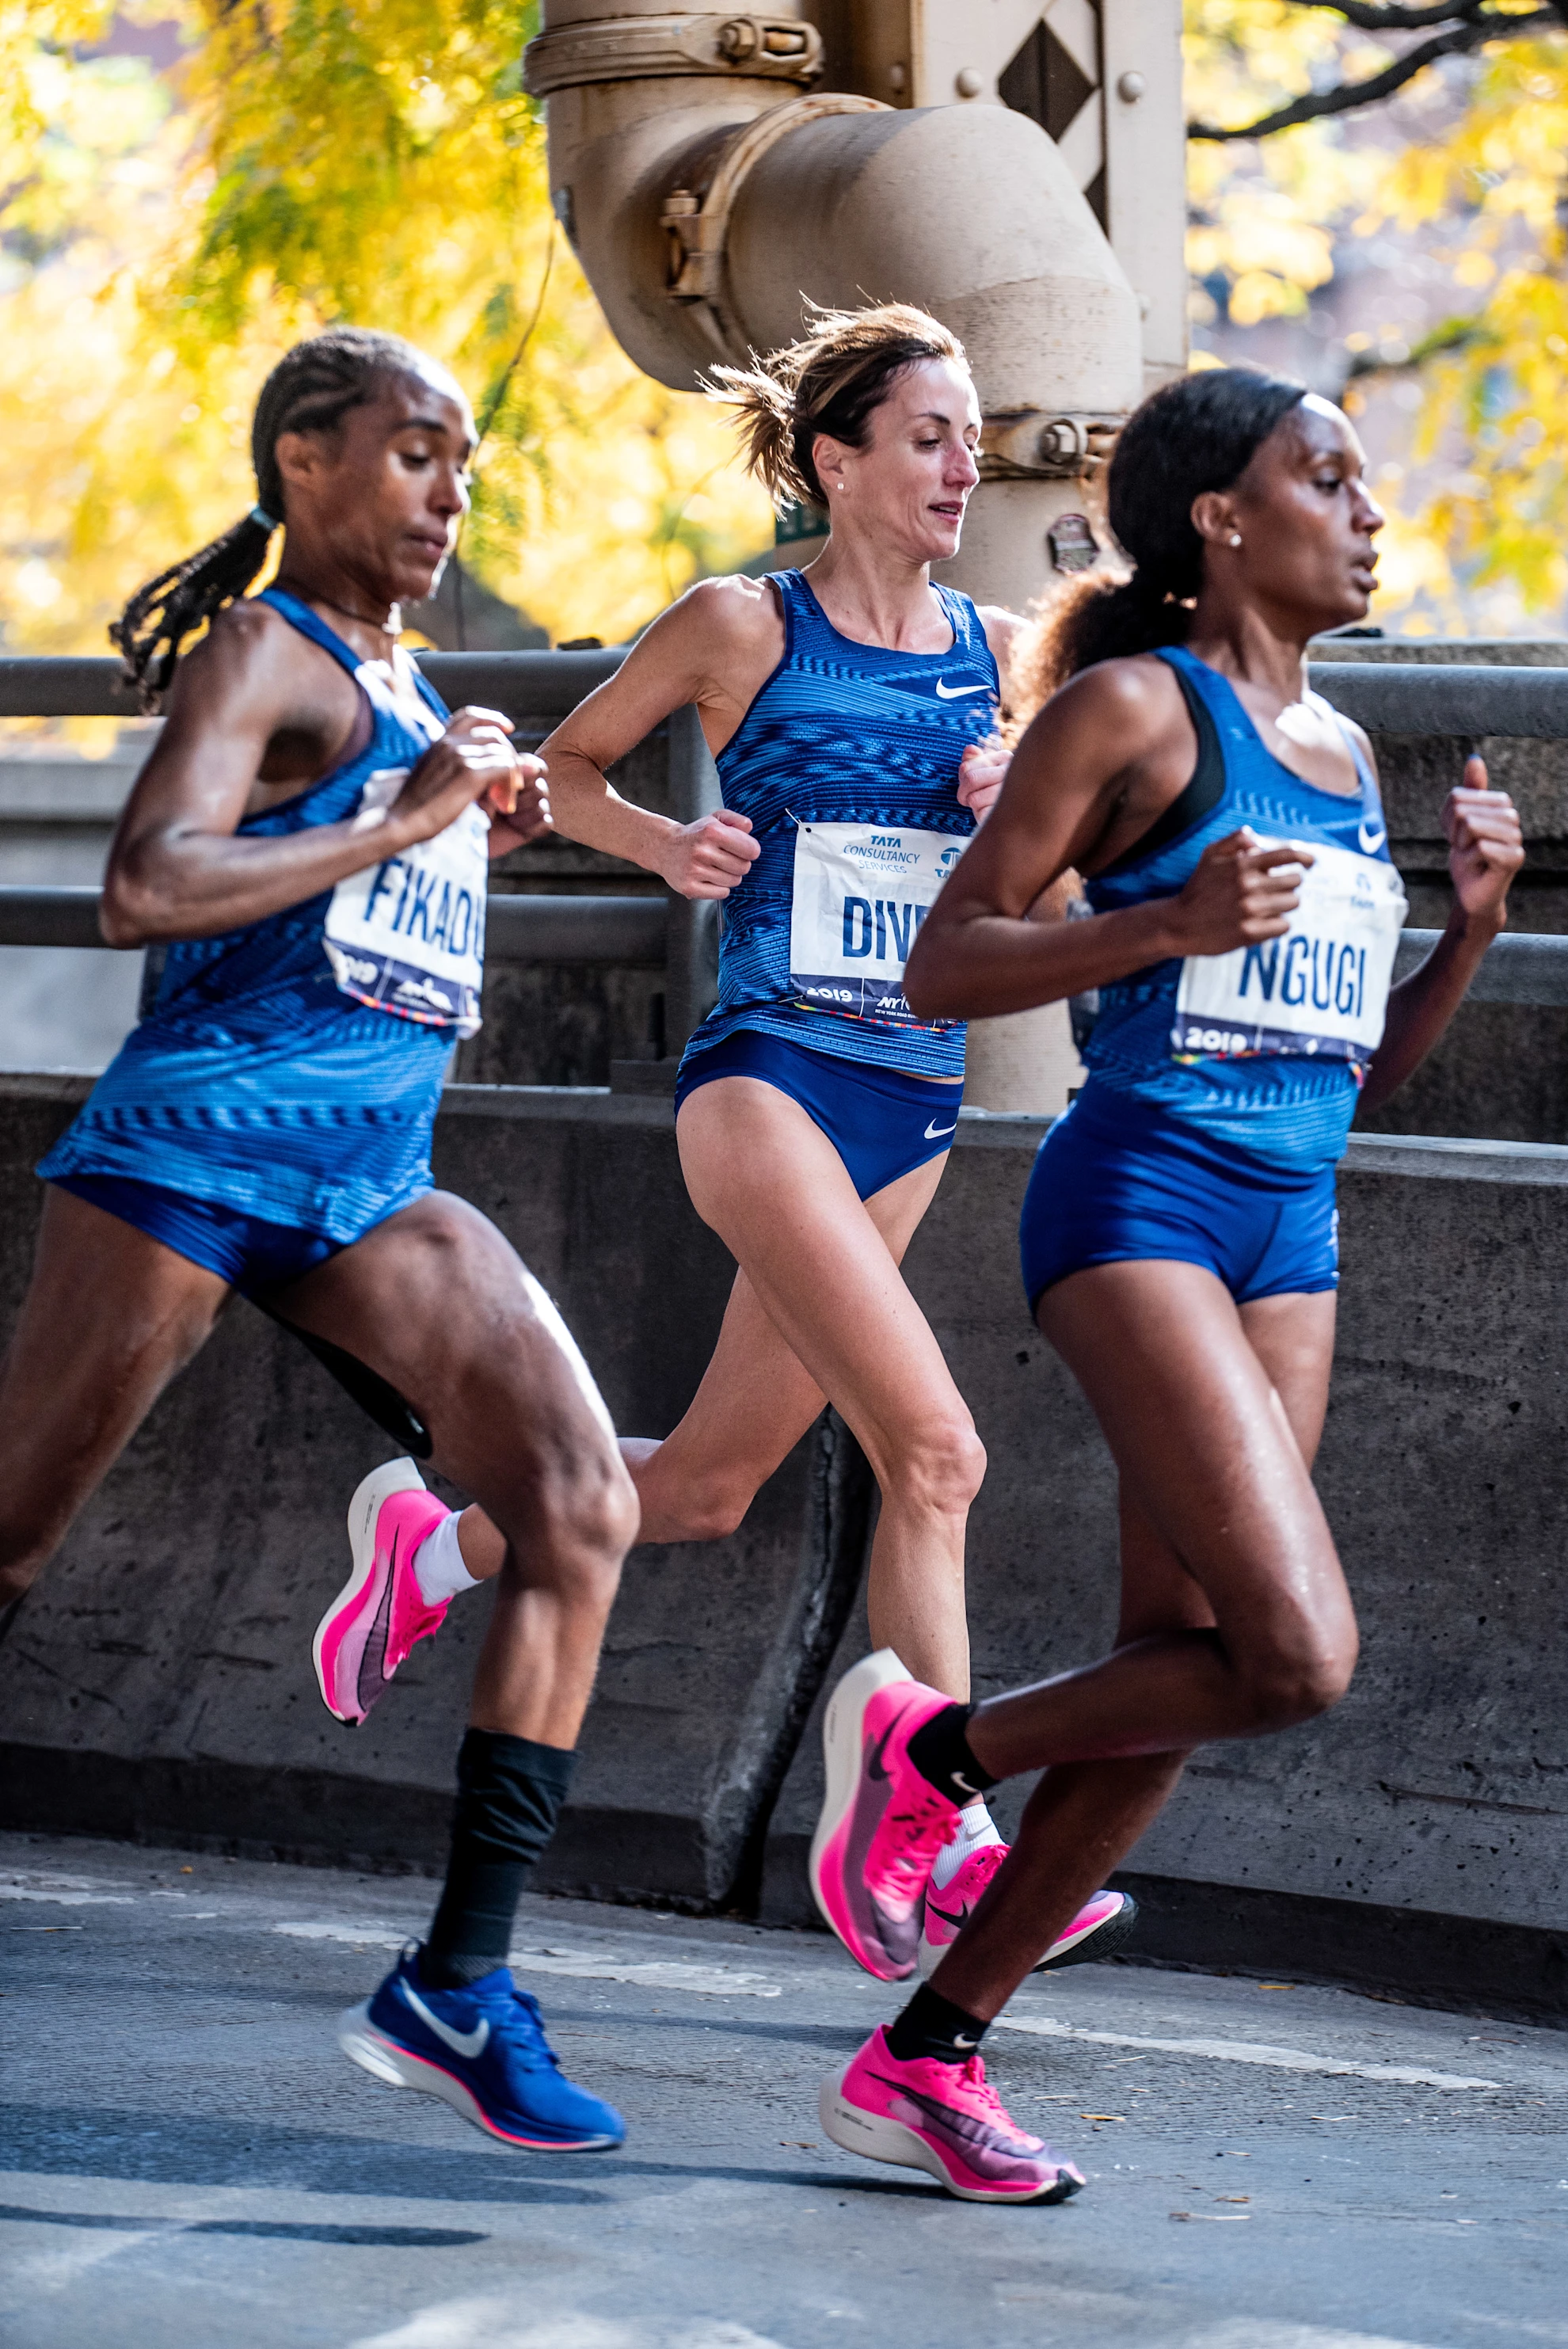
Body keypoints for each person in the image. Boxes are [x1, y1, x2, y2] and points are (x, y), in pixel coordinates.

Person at [315, 302, 1133, 1978]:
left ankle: (435, 1534)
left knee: (702, 1485)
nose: (962, 463)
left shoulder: (1001, 655)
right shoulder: (741, 623)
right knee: (941, 1454)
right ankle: (942, 1827)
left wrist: (1018, 820)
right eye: (927, 434)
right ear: (836, 460)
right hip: (766, 1082)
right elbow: (564, 769)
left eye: (972, 436)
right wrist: (665, 839)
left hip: (913, 1099)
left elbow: (1046, 902)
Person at [806, 365, 1524, 2202]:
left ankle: (930, 2051)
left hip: (1297, 1226)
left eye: (1368, 483)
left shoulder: (1353, 759)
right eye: (1328, 477)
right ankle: (934, 1747)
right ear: (1222, 513)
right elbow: (950, 963)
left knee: (1177, 1672)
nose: (1369, 511)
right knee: (1293, 1657)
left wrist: (1468, 934)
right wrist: (1163, 924)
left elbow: (1354, 1070)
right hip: (1141, 1198)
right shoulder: (1133, 707)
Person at [0, 327, 642, 2152]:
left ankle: (459, 1982)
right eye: (415, 453)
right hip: (195, 1155)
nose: (450, 491)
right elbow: (146, 887)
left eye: (464, 460)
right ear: (304, 460)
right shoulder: (264, 651)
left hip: (367, 1179)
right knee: (12, 1541)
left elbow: (368, 873)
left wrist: (458, 830)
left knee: (581, 1503)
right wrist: (415, 817)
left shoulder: (409, 686)